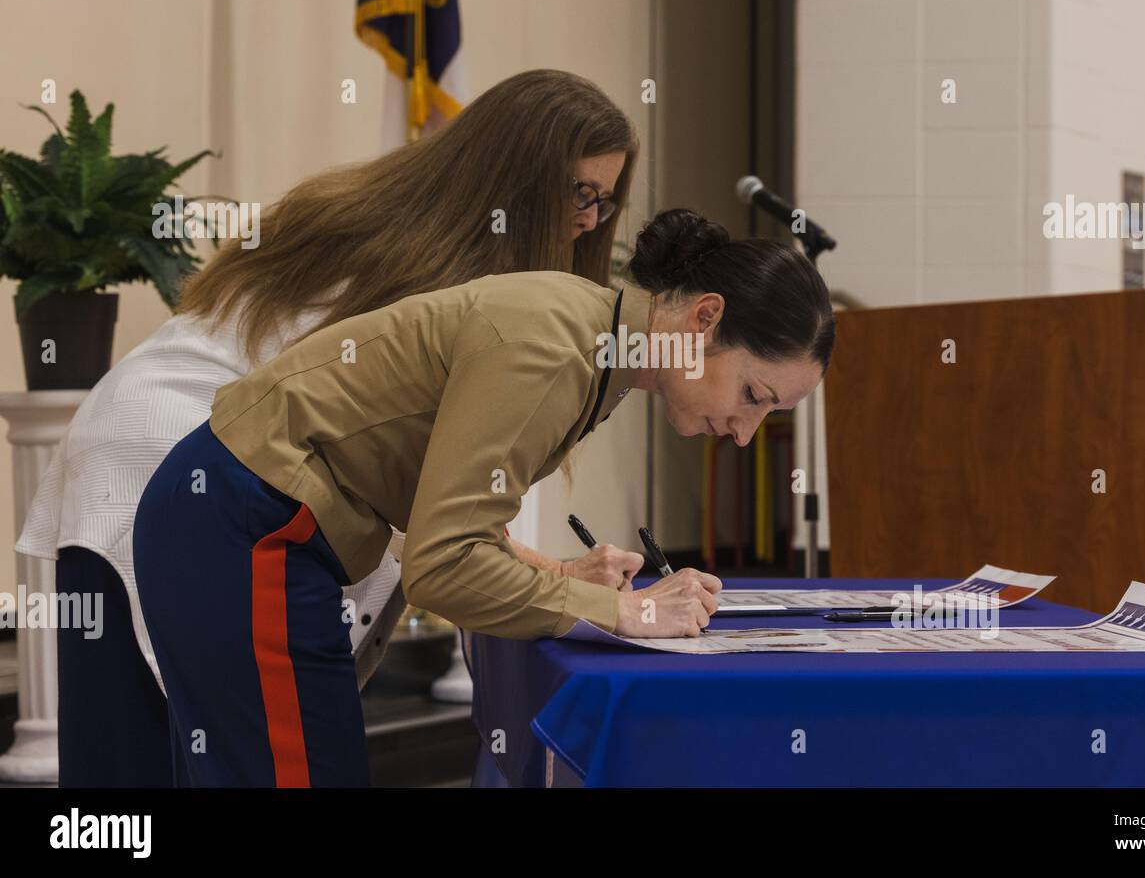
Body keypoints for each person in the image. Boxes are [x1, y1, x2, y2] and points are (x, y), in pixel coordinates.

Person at [15, 68, 644, 786]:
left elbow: (428, 483)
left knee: (145, 770)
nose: (592, 220)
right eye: (580, 193)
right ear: (520, 175)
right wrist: (569, 583)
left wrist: (555, 572)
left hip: (167, 461)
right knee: (171, 771)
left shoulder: (405, 218)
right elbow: (418, 478)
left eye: (607, 198)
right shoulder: (448, 274)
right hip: (178, 461)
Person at [132, 208, 836, 786]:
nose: (745, 434)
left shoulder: (597, 347)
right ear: (704, 319)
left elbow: (451, 511)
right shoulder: (560, 345)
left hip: (241, 518)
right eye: (752, 395)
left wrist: (556, 575)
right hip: (246, 520)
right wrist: (628, 609)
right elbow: (442, 565)